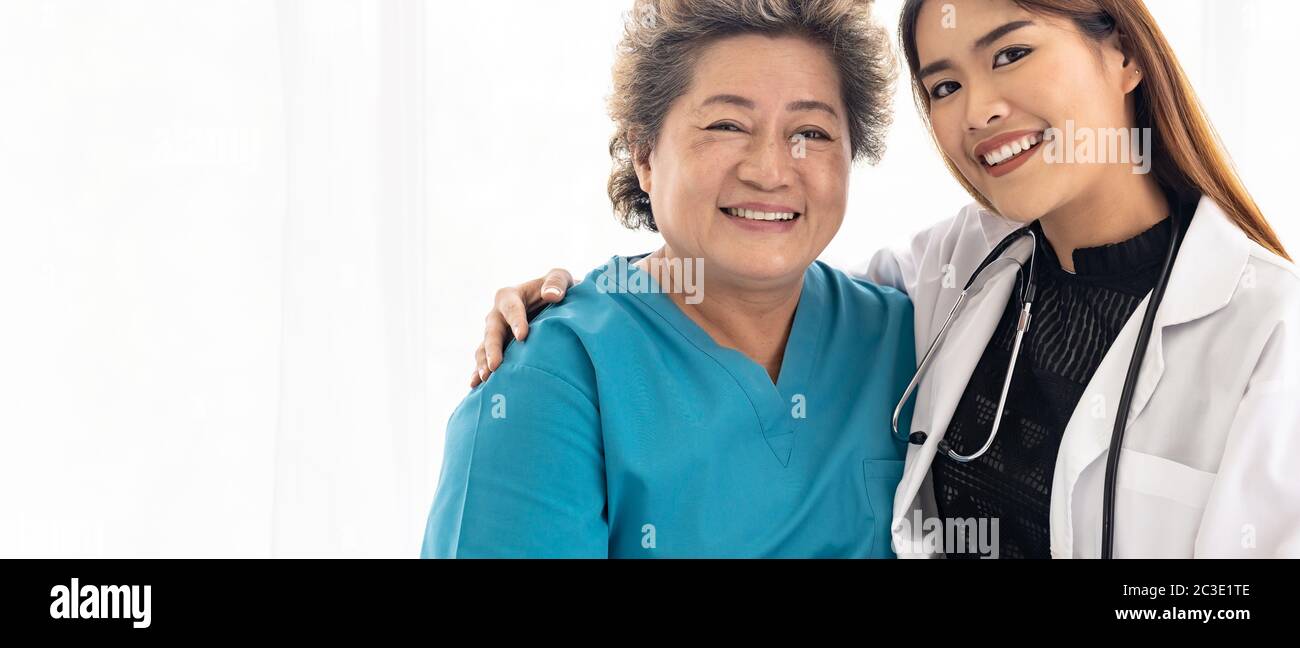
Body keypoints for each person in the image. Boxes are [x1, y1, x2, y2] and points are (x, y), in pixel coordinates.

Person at [474, 0, 1300, 558]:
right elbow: (746, 281)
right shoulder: (948, 279)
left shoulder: (1270, 332)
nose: (978, 111)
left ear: (1122, 49)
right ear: (642, 153)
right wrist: (563, 308)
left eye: (1011, 53)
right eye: (944, 85)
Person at [423, 0, 915, 558]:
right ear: (644, 154)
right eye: (726, 125)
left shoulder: (918, 343)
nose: (771, 171)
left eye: (812, 132)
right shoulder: (550, 381)